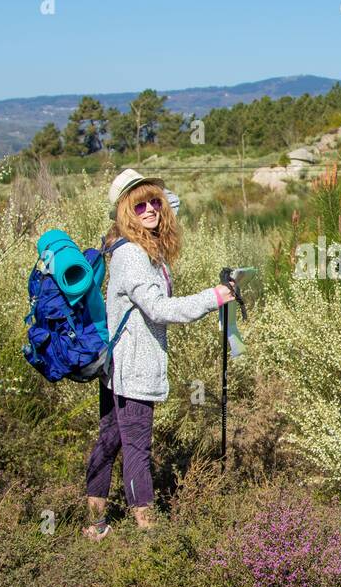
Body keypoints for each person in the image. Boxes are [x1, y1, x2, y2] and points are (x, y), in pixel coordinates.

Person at [83, 169, 233, 538]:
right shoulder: (134, 256)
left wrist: (164, 205)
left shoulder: (129, 246)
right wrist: (213, 298)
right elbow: (159, 309)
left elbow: (169, 206)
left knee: (110, 440)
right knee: (136, 447)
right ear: (124, 212)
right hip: (133, 369)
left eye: (155, 202)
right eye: (140, 205)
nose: (150, 209)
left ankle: (95, 524)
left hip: (118, 367)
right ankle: (149, 536)